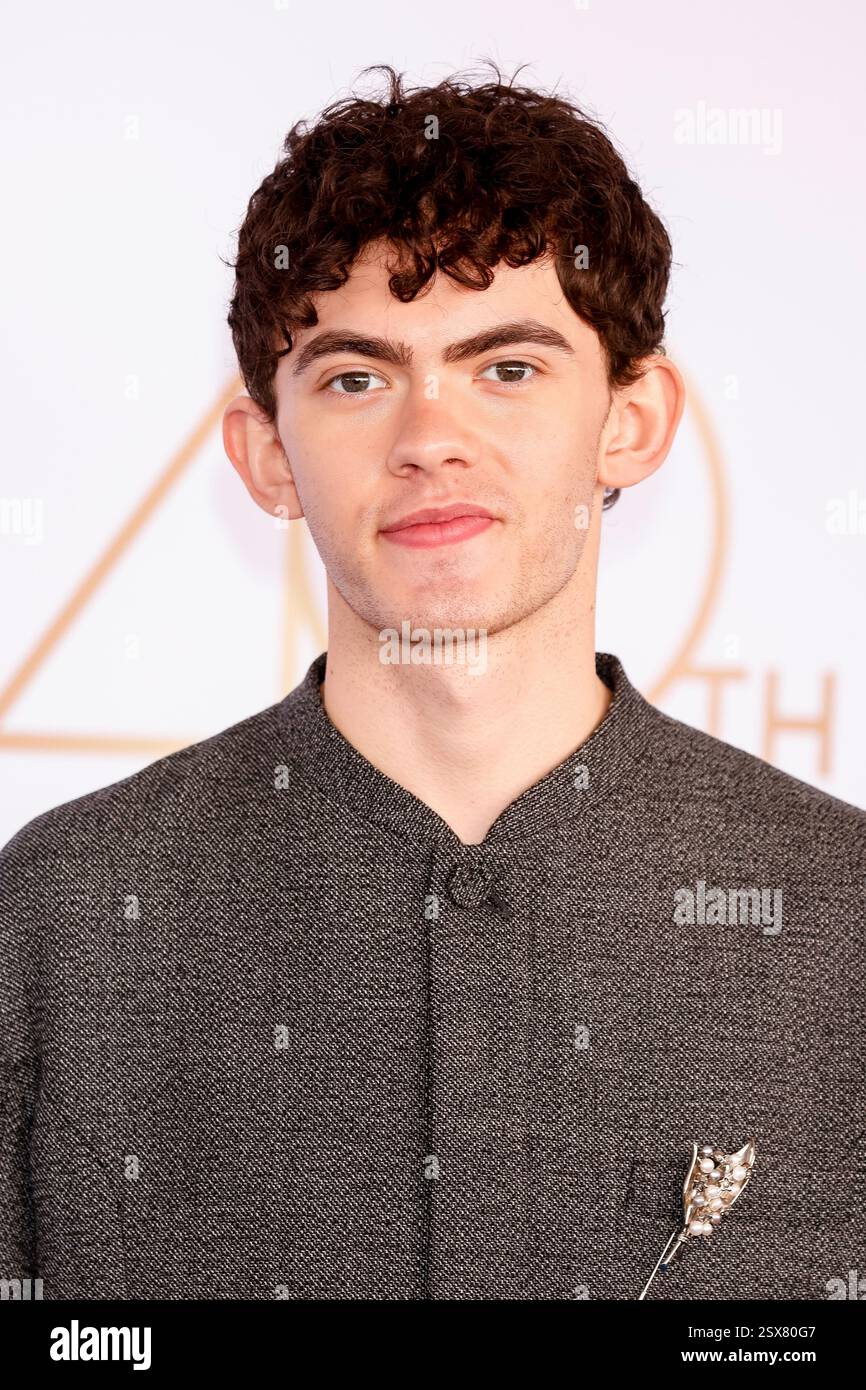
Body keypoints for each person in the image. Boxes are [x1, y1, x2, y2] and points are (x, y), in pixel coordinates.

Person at [1, 64, 863, 1301]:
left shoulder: (840, 921)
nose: (427, 438)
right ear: (266, 454)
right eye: (355, 377)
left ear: (630, 421)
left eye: (506, 368)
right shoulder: (60, 922)